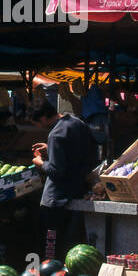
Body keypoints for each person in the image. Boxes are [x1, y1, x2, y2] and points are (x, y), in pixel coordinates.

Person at [30, 100, 96, 260]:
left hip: (55, 200)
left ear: (44, 117)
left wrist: (40, 163)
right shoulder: (77, 122)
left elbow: (56, 171)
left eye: (38, 123)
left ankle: (48, 274)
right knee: (69, 245)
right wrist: (50, 148)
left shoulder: (55, 135)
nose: (39, 126)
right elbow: (80, 151)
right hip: (77, 193)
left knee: (51, 248)